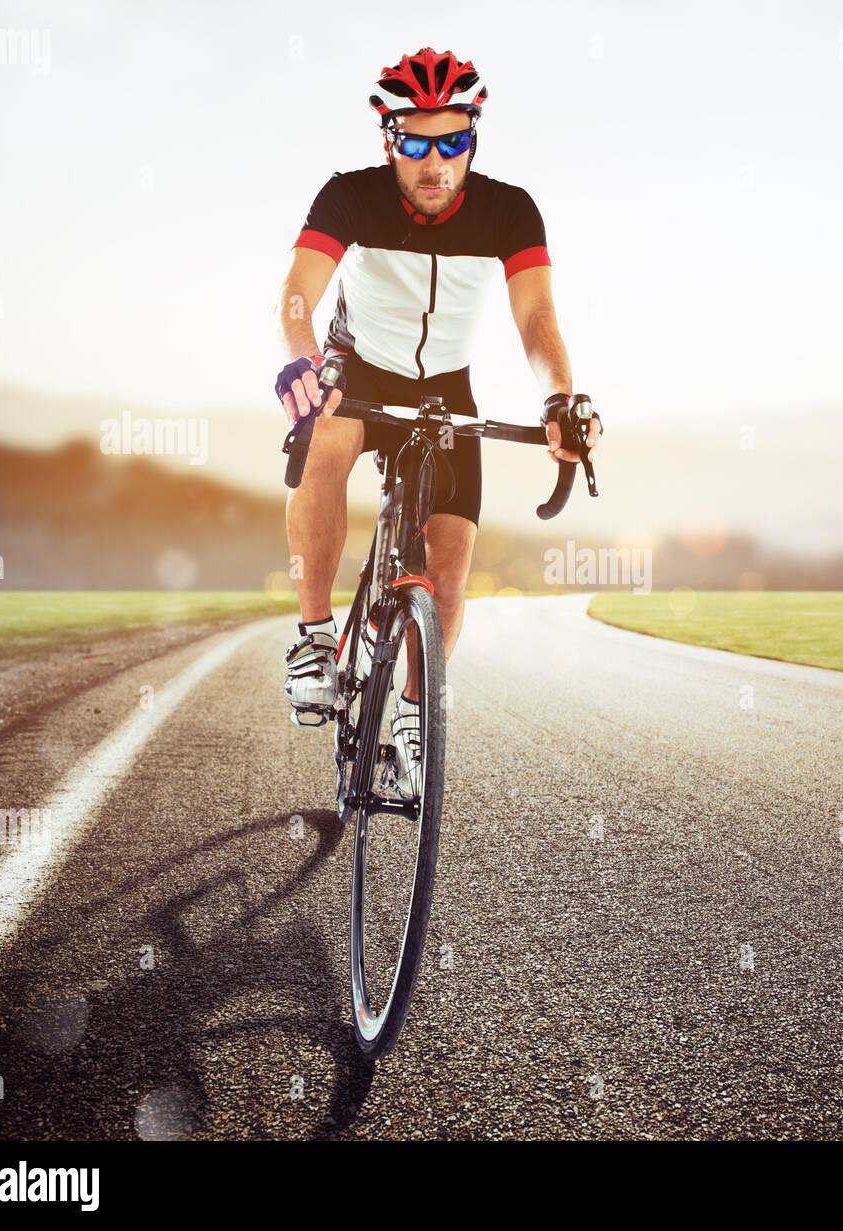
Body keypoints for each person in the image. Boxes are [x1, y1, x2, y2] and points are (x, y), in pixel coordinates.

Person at [274, 47, 600, 793]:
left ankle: (416, 720)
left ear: (473, 138)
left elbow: (537, 318)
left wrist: (558, 398)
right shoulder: (348, 197)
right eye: (415, 142)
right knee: (324, 434)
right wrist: (298, 360)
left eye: (451, 141)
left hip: (444, 389)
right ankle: (317, 638)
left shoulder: (508, 211)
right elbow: (297, 291)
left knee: (449, 571)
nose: (434, 163)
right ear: (387, 138)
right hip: (356, 369)